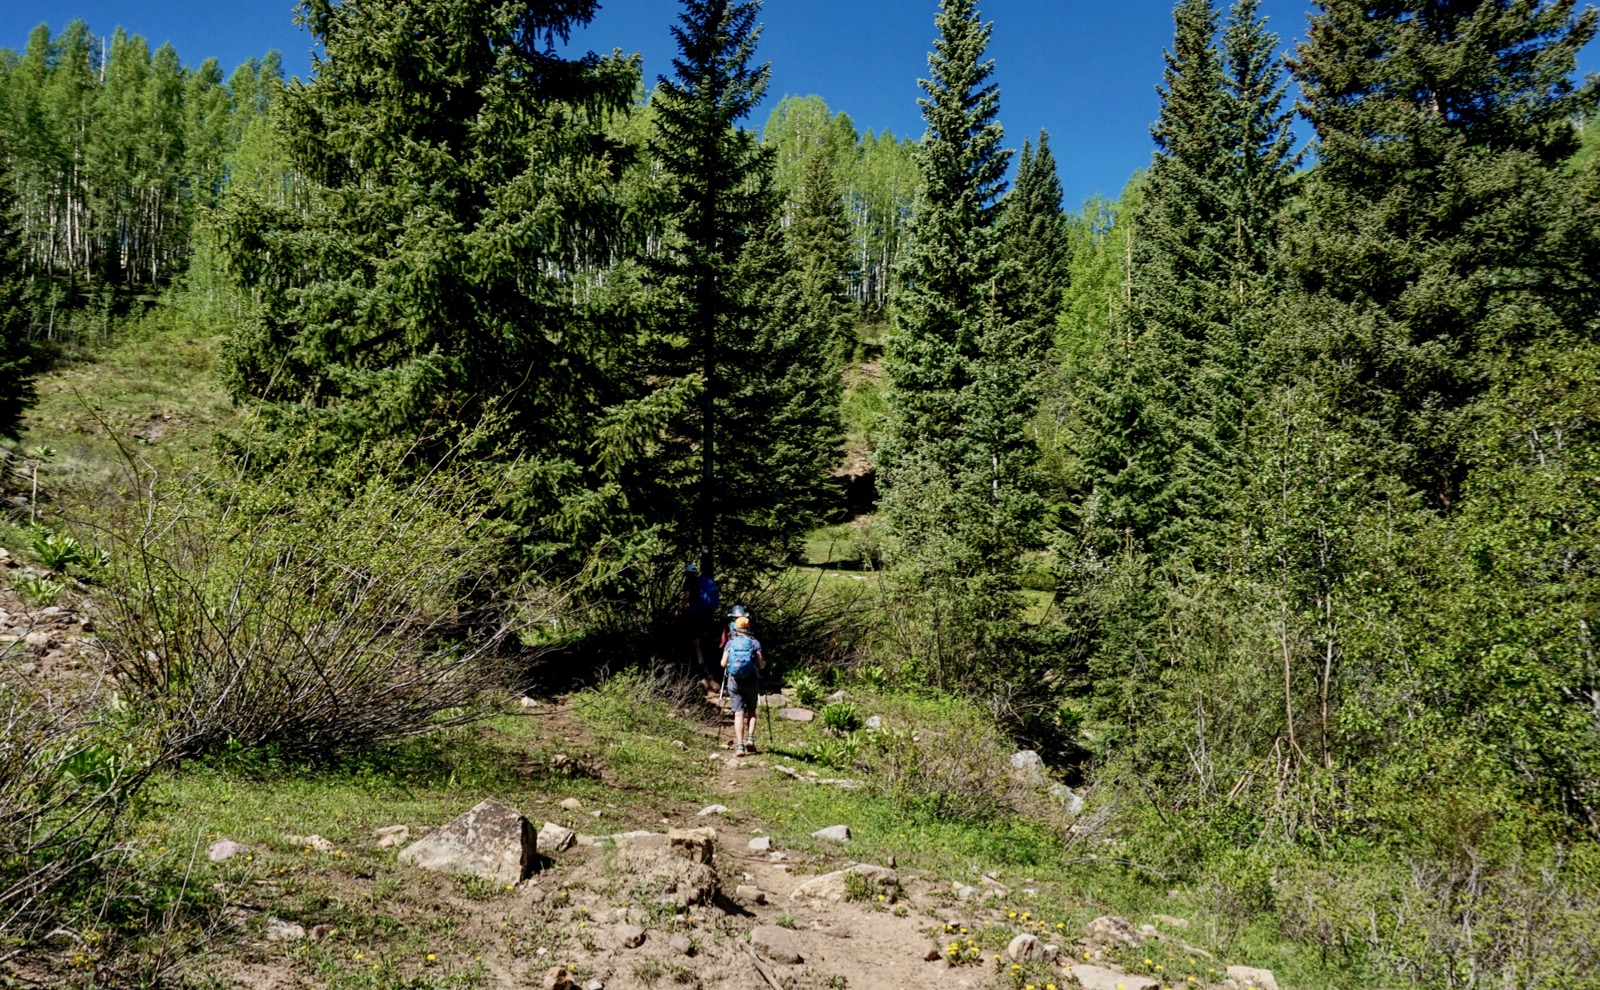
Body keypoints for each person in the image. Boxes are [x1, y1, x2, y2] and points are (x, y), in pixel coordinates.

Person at [720, 615, 765, 755]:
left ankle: (739, 746)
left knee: (738, 714)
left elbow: (722, 664)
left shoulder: (730, 643)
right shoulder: (754, 643)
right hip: (751, 680)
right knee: (751, 711)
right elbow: (761, 665)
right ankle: (750, 739)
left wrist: (731, 665)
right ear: (748, 627)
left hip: (734, 681)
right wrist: (763, 664)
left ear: (736, 627)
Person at [681, 562, 719, 681]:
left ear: (687, 574)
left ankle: (703, 670)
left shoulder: (689, 582)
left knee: (696, 642)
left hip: (696, 614)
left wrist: (679, 609)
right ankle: (713, 667)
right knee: (707, 640)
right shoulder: (706, 581)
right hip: (708, 614)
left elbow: (687, 597)